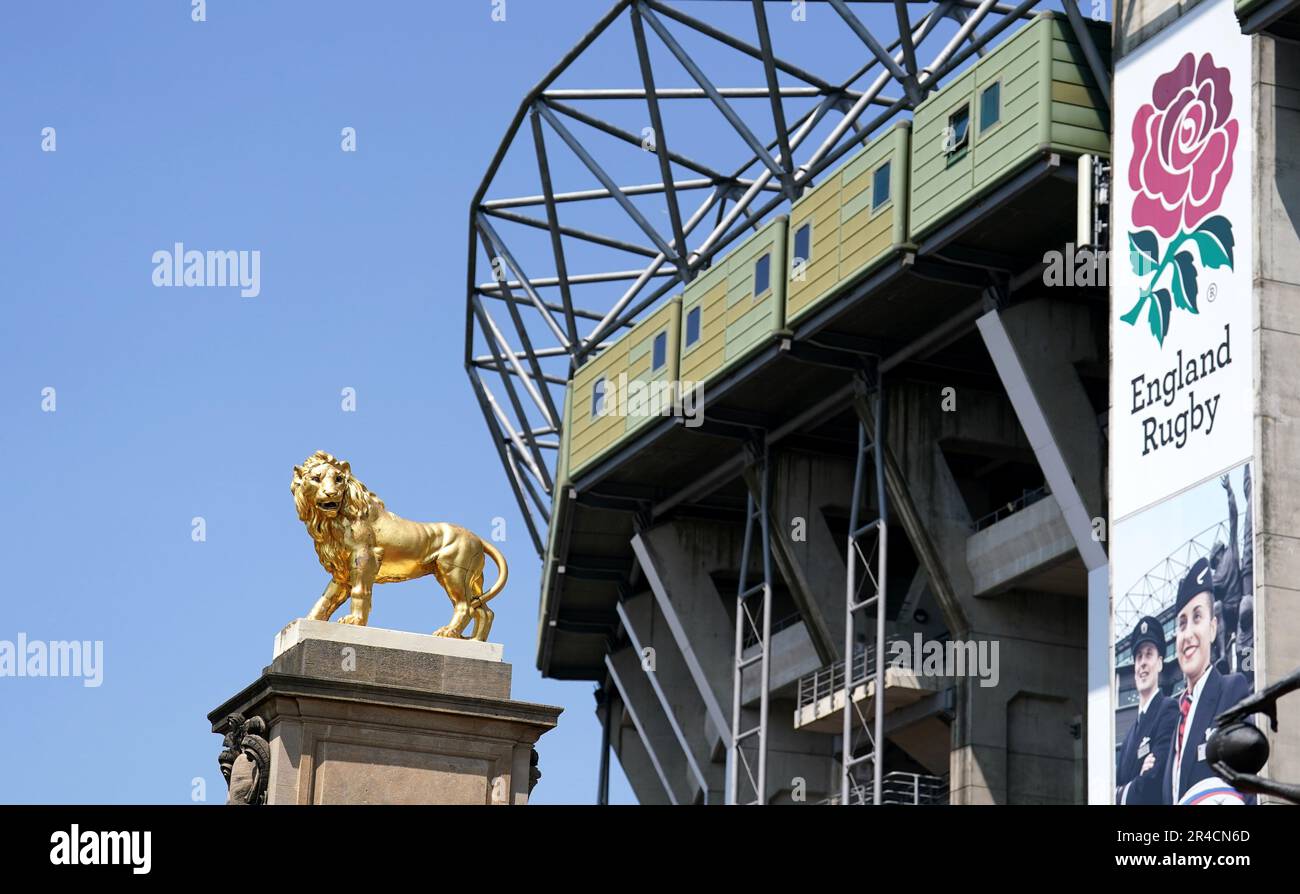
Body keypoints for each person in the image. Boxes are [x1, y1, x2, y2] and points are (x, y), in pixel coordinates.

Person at [1162, 557, 1255, 805]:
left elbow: (1244, 783)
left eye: (1197, 618)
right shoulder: (1176, 718)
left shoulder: (1231, 691)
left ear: (1213, 629)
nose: (1188, 633)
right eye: (1182, 624)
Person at [1115, 615, 1179, 804]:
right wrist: (1136, 781)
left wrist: (1121, 792)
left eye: (1149, 654)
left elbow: (1153, 782)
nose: (1142, 662)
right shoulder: (1128, 738)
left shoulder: (1168, 710)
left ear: (1159, 663)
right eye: (1139, 656)